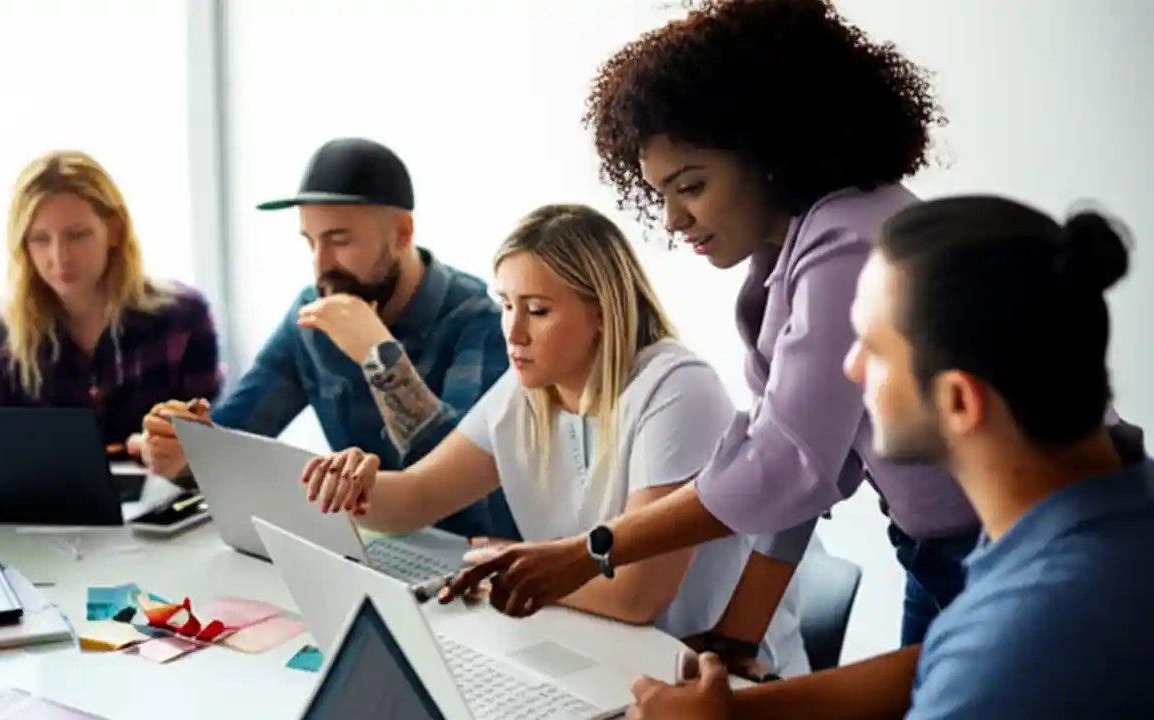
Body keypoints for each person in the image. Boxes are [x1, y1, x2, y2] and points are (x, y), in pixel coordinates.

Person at [446, 0, 979, 651]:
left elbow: (788, 463)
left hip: (1001, 543)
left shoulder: (848, 246)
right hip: (938, 549)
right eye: (660, 194)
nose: (671, 219)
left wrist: (593, 549)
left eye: (690, 185)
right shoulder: (791, 258)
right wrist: (737, 636)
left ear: (771, 150)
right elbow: (819, 461)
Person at [625, 195, 1154, 719]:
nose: (851, 366)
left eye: (873, 348)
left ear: (958, 402)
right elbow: (935, 660)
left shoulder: (1017, 638)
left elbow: (982, 660)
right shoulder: (1108, 511)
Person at [299, 204, 809, 676]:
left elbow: (635, 596)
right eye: (506, 305)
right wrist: (350, 486)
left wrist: (513, 563)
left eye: (538, 310)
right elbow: (416, 497)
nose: (513, 332)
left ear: (603, 313)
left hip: (705, 671)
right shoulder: (528, 389)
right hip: (598, 652)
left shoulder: (677, 388)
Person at [136, 137, 515, 539]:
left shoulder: (480, 320)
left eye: (339, 240)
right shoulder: (311, 315)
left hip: (474, 561)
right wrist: (185, 453)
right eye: (311, 242)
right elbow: (235, 435)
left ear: (402, 233)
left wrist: (379, 356)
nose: (321, 265)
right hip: (365, 543)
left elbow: (459, 493)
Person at [0, 150, 223, 451]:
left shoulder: (182, 319)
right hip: (34, 498)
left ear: (114, 230)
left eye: (78, 235)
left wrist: (173, 450)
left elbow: (211, 446)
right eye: (40, 239)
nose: (59, 257)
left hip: (161, 496)